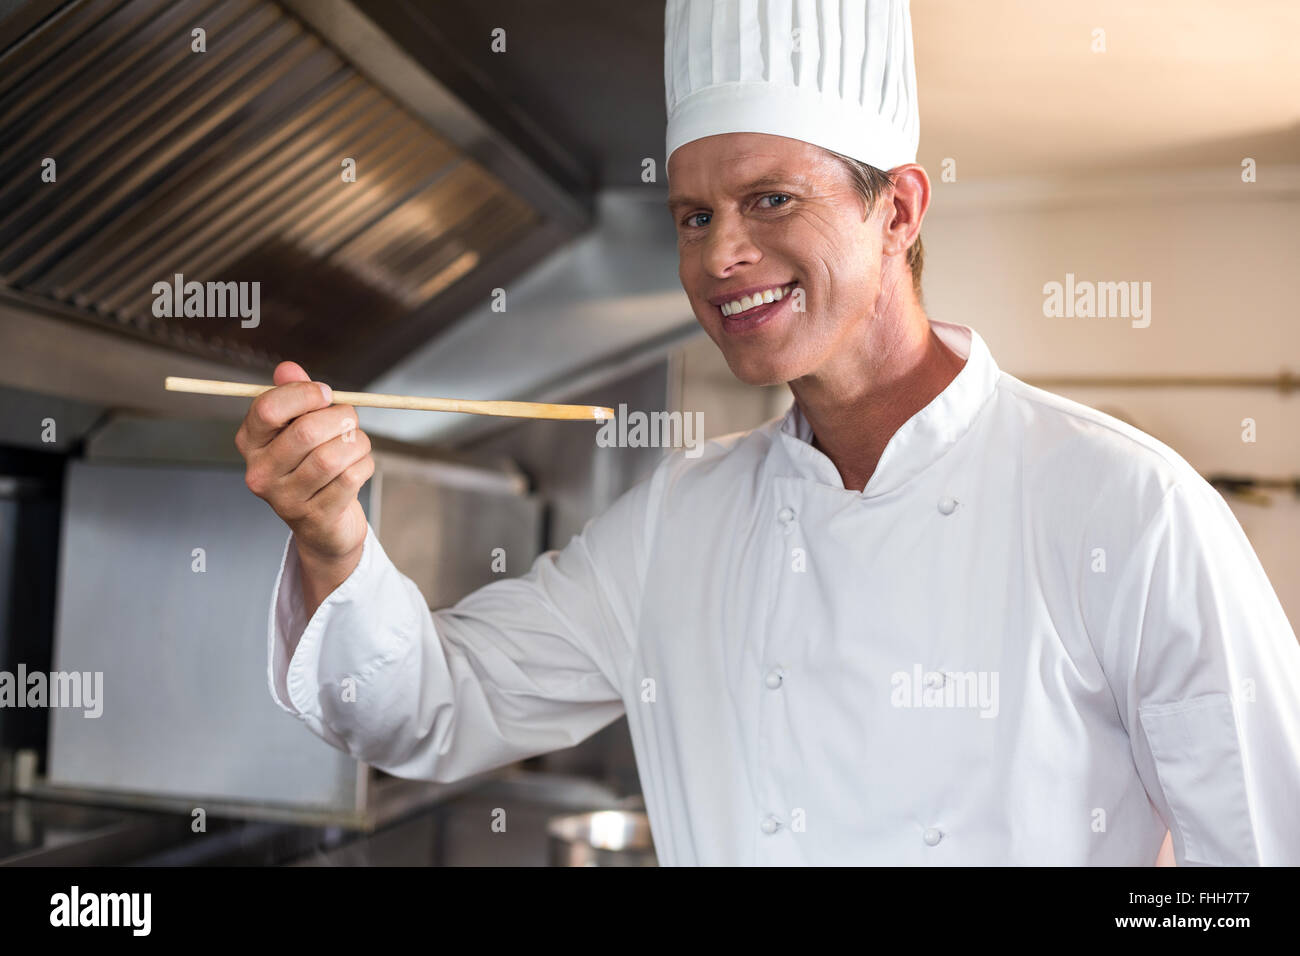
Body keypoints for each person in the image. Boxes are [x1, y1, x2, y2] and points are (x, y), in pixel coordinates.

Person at [235, 0, 1300, 865]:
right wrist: (333, 534)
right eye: (693, 216)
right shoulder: (677, 520)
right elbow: (428, 707)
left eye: (771, 199)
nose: (718, 256)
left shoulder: (1126, 507)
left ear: (897, 212)